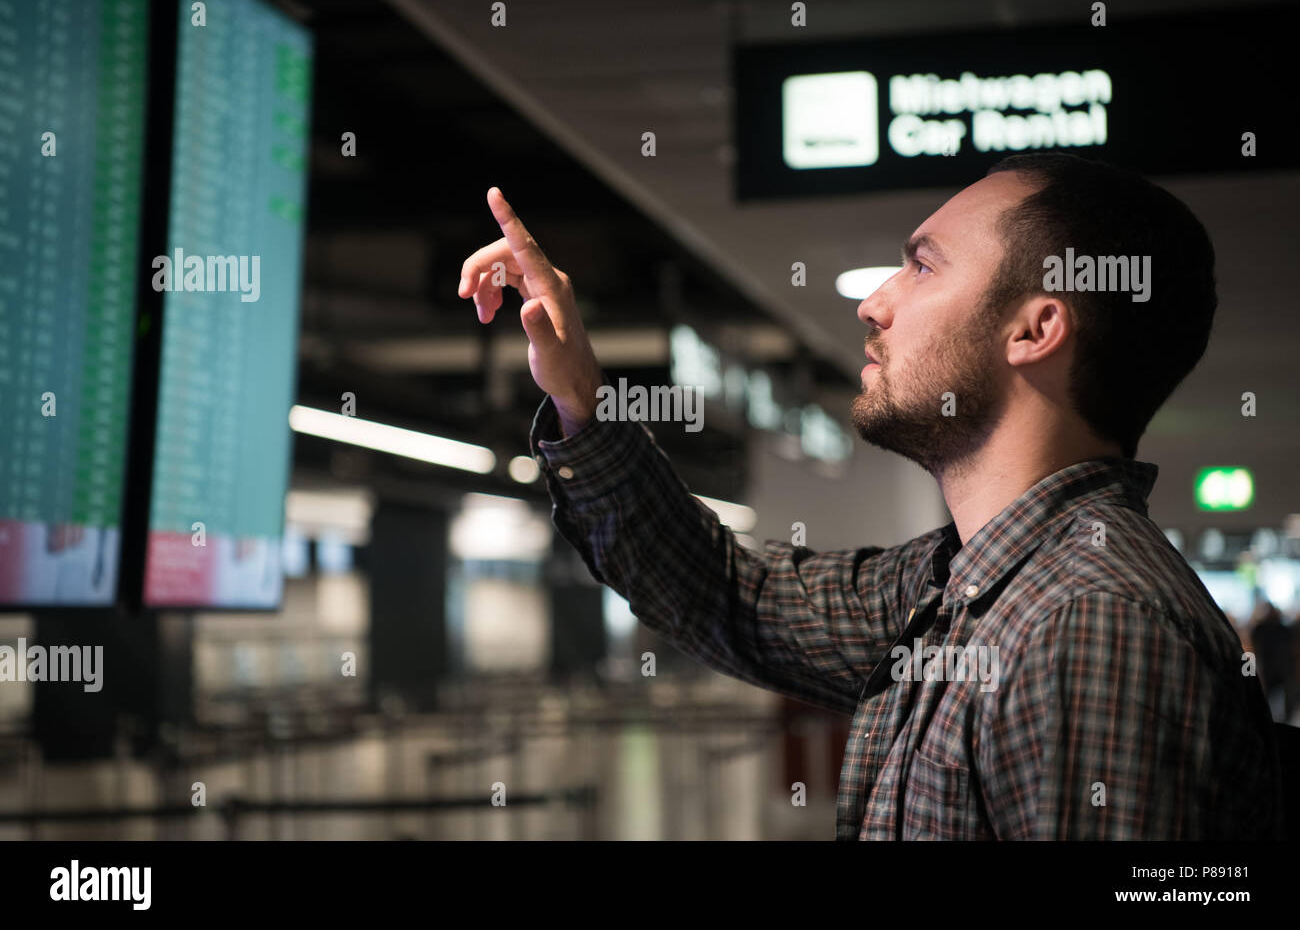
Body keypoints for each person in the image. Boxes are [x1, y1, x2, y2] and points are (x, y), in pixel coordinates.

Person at [458, 152, 1283, 839]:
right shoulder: (959, 587)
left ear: (1034, 330)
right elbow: (725, 593)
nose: (873, 301)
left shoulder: (1090, 620)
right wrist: (582, 400)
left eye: (922, 265)